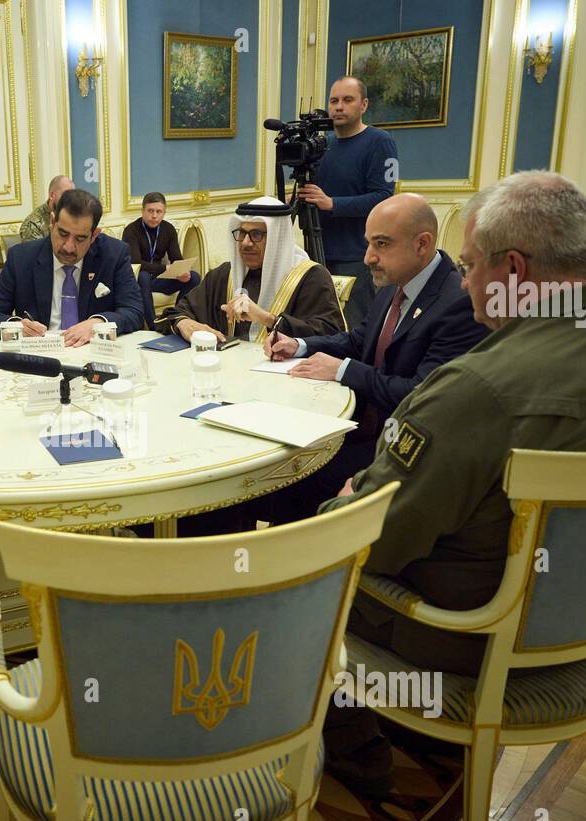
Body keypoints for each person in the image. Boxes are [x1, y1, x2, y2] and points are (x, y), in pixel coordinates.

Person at [317, 171, 586, 792]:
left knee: (301, 561)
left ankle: (356, 751)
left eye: (467, 266)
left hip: (468, 639)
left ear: (513, 270)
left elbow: (372, 542)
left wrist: (344, 504)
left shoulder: (476, 391)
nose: (462, 283)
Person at [260, 193, 486, 519]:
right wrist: (301, 345)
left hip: (401, 447)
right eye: (368, 244)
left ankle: (305, 561)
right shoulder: (395, 284)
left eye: (381, 244)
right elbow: (357, 340)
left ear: (422, 244)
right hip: (360, 428)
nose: (368, 257)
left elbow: (420, 393)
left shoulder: (456, 302)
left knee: (295, 475)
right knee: (280, 459)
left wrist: (343, 371)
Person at [161, 197, 344, 344]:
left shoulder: (311, 277)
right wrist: (183, 323)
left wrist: (268, 319)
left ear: (277, 239)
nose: (246, 243)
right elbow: (179, 311)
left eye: (256, 234)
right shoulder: (225, 274)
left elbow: (331, 337)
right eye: (242, 233)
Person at [0, 188, 143, 344]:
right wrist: (16, 327)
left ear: (94, 236)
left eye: (80, 239)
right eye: (63, 234)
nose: (68, 247)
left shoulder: (113, 255)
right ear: (52, 222)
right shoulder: (21, 258)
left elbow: (134, 312)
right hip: (39, 355)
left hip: (91, 351)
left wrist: (97, 324)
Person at [296, 76, 397, 329]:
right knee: (319, 326)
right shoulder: (321, 145)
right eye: (334, 101)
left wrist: (332, 203)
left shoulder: (380, 142)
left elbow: (384, 198)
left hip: (357, 256)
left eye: (347, 100)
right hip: (315, 254)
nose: (339, 107)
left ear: (363, 105)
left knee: (353, 328)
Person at [123, 192, 201, 323]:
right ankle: (153, 323)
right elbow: (136, 263)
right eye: (150, 211)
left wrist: (181, 271)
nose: (154, 216)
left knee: (194, 277)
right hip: (138, 279)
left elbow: (176, 258)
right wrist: (165, 268)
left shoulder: (168, 229)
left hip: (160, 279)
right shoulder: (131, 230)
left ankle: (177, 315)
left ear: (164, 212)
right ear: (142, 211)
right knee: (143, 276)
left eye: (159, 211)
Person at [18, 174, 75, 241]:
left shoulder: (73, 217)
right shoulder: (32, 224)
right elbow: (35, 251)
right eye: (66, 195)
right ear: (52, 195)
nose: (70, 201)